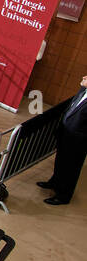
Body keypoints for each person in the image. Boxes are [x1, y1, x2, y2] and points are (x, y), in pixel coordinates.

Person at [39, 74, 87, 205]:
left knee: (71, 168)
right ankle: (54, 182)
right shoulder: (83, 90)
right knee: (60, 161)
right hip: (66, 134)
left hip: (78, 141)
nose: (84, 77)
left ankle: (63, 196)